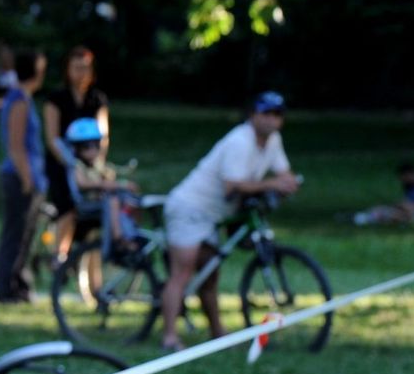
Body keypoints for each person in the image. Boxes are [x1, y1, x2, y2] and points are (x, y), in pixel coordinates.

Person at [159, 91, 300, 351]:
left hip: (213, 215)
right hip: (190, 207)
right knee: (183, 273)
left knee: (210, 274)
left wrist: (288, 182)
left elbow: (284, 172)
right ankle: (169, 337)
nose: (272, 120)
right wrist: (272, 183)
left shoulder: (273, 141)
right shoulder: (240, 141)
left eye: (277, 114)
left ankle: (217, 334)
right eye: (266, 113)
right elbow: (231, 185)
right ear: (253, 115)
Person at [42, 45, 109, 264]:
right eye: (76, 68)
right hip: (61, 164)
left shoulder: (96, 99)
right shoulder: (56, 99)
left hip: (89, 164)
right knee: (67, 210)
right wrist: (71, 164)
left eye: (85, 68)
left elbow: (103, 136)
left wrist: (95, 165)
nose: (81, 73)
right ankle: (58, 258)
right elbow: (52, 138)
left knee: (96, 216)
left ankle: (91, 274)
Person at [0, 49, 47, 303]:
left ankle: (19, 285)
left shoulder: (22, 97)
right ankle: (8, 288)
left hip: (27, 177)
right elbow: (16, 146)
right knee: (15, 234)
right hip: (19, 178)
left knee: (25, 236)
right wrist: (28, 180)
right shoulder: (19, 100)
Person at [66, 117, 141, 260]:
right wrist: (109, 184)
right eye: (87, 147)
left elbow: (110, 176)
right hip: (87, 204)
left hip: (102, 200)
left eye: (96, 145)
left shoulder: (97, 165)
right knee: (112, 201)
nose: (93, 150)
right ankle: (118, 238)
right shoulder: (77, 166)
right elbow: (82, 183)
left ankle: (133, 234)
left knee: (131, 200)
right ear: (76, 149)